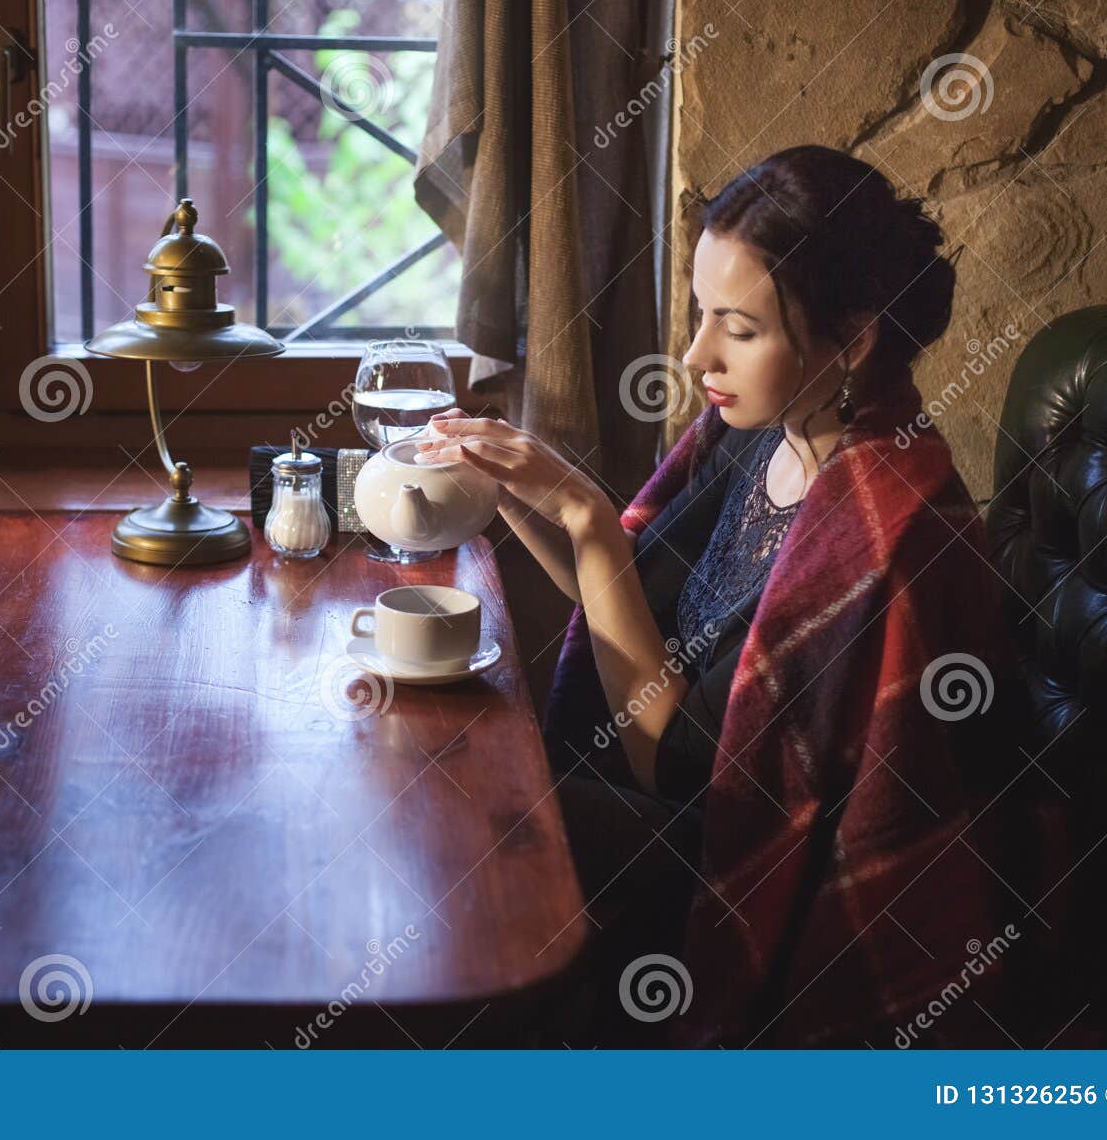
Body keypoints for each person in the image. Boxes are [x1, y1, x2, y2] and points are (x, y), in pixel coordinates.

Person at [413, 145, 1067, 1047]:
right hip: (669, 794)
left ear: (856, 339)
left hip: (747, 869)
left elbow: (674, 766)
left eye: (739, 327)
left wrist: (587, 513)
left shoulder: (886, 522)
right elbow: (626, 611)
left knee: (462, 803)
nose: (696, 354)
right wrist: (507, 494)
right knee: (438, 760)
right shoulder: (764, 426)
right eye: (698, 313)